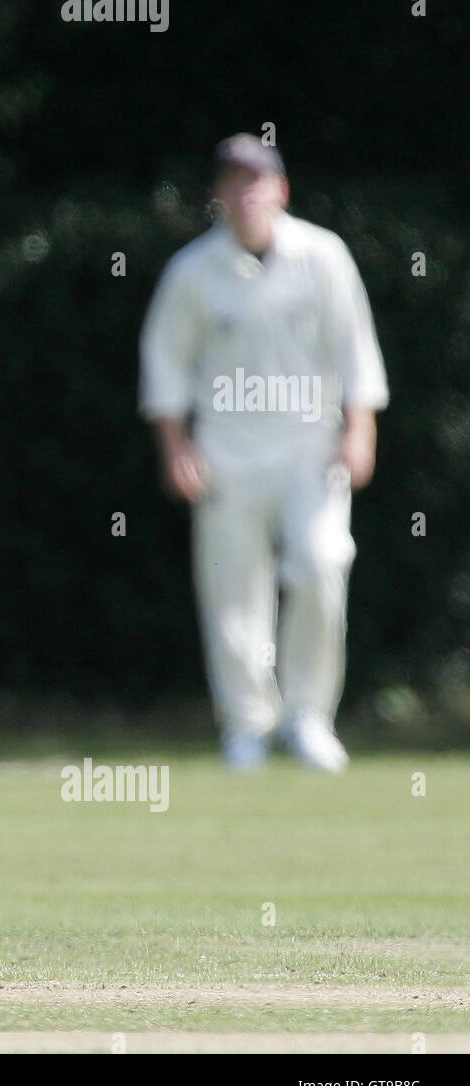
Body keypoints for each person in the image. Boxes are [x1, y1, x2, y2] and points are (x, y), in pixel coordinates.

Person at [139, 133, 387, 772]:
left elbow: (354, 347)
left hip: (312, 450)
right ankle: (248, 723)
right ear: (218, 195)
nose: (246, 192)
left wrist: (359, 431)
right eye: (233, 181)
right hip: (226, 453)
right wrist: (176, 446)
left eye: (257, 180)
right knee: (233, 593)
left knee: (320, 566)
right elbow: (165, 364)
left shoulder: (323, 256)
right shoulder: (194, 271)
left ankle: (309, 719)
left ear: (280, 189)